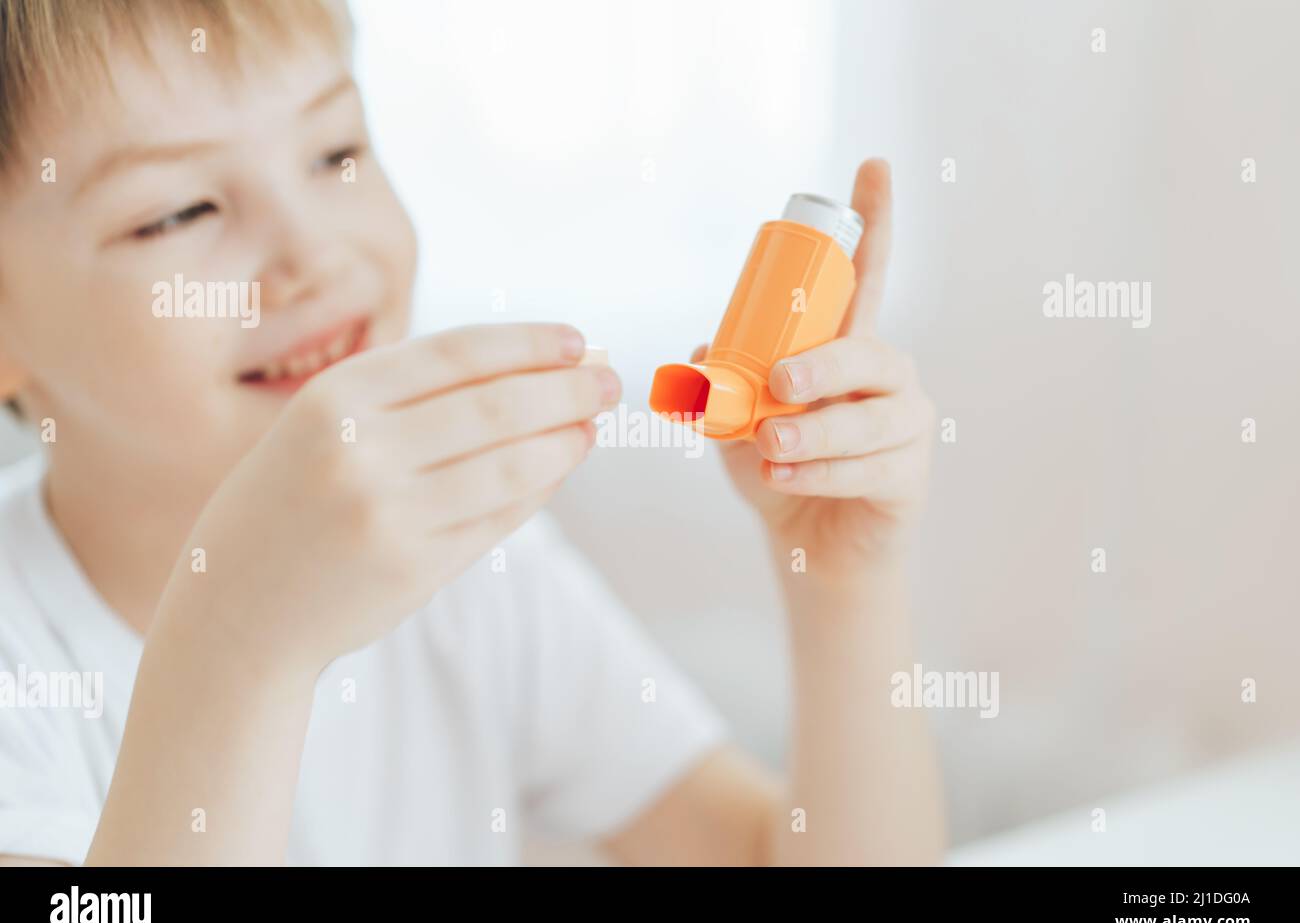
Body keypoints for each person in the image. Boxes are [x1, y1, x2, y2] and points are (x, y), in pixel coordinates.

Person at [0, 0, 942, 866]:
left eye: (335, 153)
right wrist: (241, 643)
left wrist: (845, 583)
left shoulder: (476, 574)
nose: (315, 253)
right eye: (178, 212)